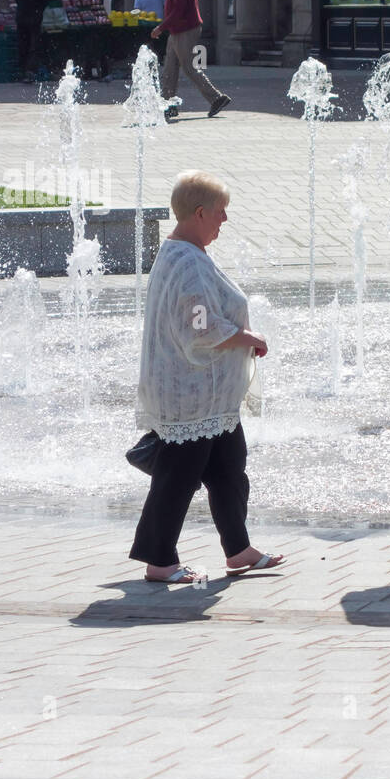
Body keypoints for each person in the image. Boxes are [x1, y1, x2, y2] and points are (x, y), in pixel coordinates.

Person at [131, 170, 282, 584]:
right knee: (176, 480)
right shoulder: (188, 262)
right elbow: (199, 328)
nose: (224, 220)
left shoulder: (181, 251)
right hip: (190, 396)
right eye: (220, 212)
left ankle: (238, 550)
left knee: (230, 471)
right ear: (199, 213)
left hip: (211, 400)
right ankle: (160, 561)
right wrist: (248, 336)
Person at [151, 0, 230, 119]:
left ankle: (216, 98)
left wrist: (161, 27)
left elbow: (178, 11)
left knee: (189, 67)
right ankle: (168, 105)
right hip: (177, 31)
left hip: (185, 30)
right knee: (169, 69)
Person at [12, 0, 49, 82]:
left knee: (34, 45)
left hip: (34, 19)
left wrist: (38, 13)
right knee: (23, 45)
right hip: (22, 19)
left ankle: (30, 71)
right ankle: (24, 71)